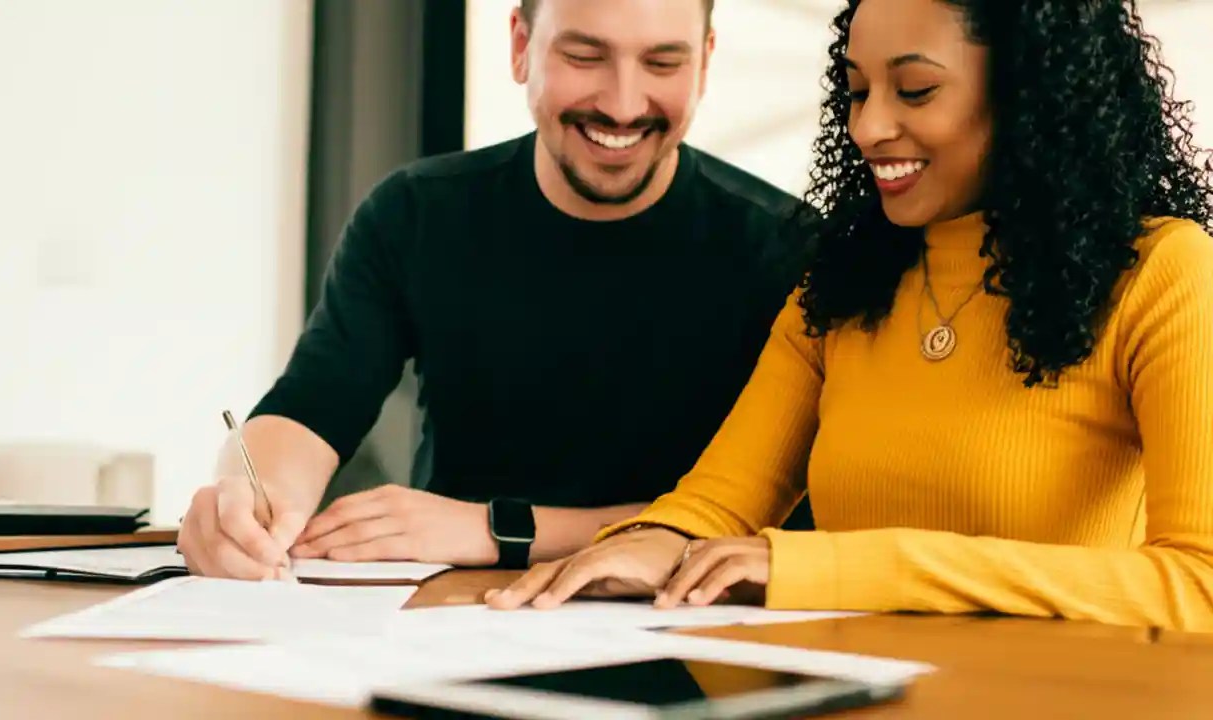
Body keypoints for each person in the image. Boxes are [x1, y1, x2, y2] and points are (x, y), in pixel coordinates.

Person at [487, 0, 1213, 633]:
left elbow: (1199, 585)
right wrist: (654, 541)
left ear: (1033, 92)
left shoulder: (1164, 273)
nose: (868, 127)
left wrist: (846, 565)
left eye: (916, 90)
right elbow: (719, 500)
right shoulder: (846, 283)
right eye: (857, 91)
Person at [176, 0, 817, 580]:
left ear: (704, 64)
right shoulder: (417, 213)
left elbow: (777, 520)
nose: (624, 104)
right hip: (452, 616)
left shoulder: (786, 249)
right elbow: (312, 404)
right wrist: (245, 499)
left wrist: (496, 528)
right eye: (584, 56)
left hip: (691, 625)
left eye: (662, 62)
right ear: (520, 46)